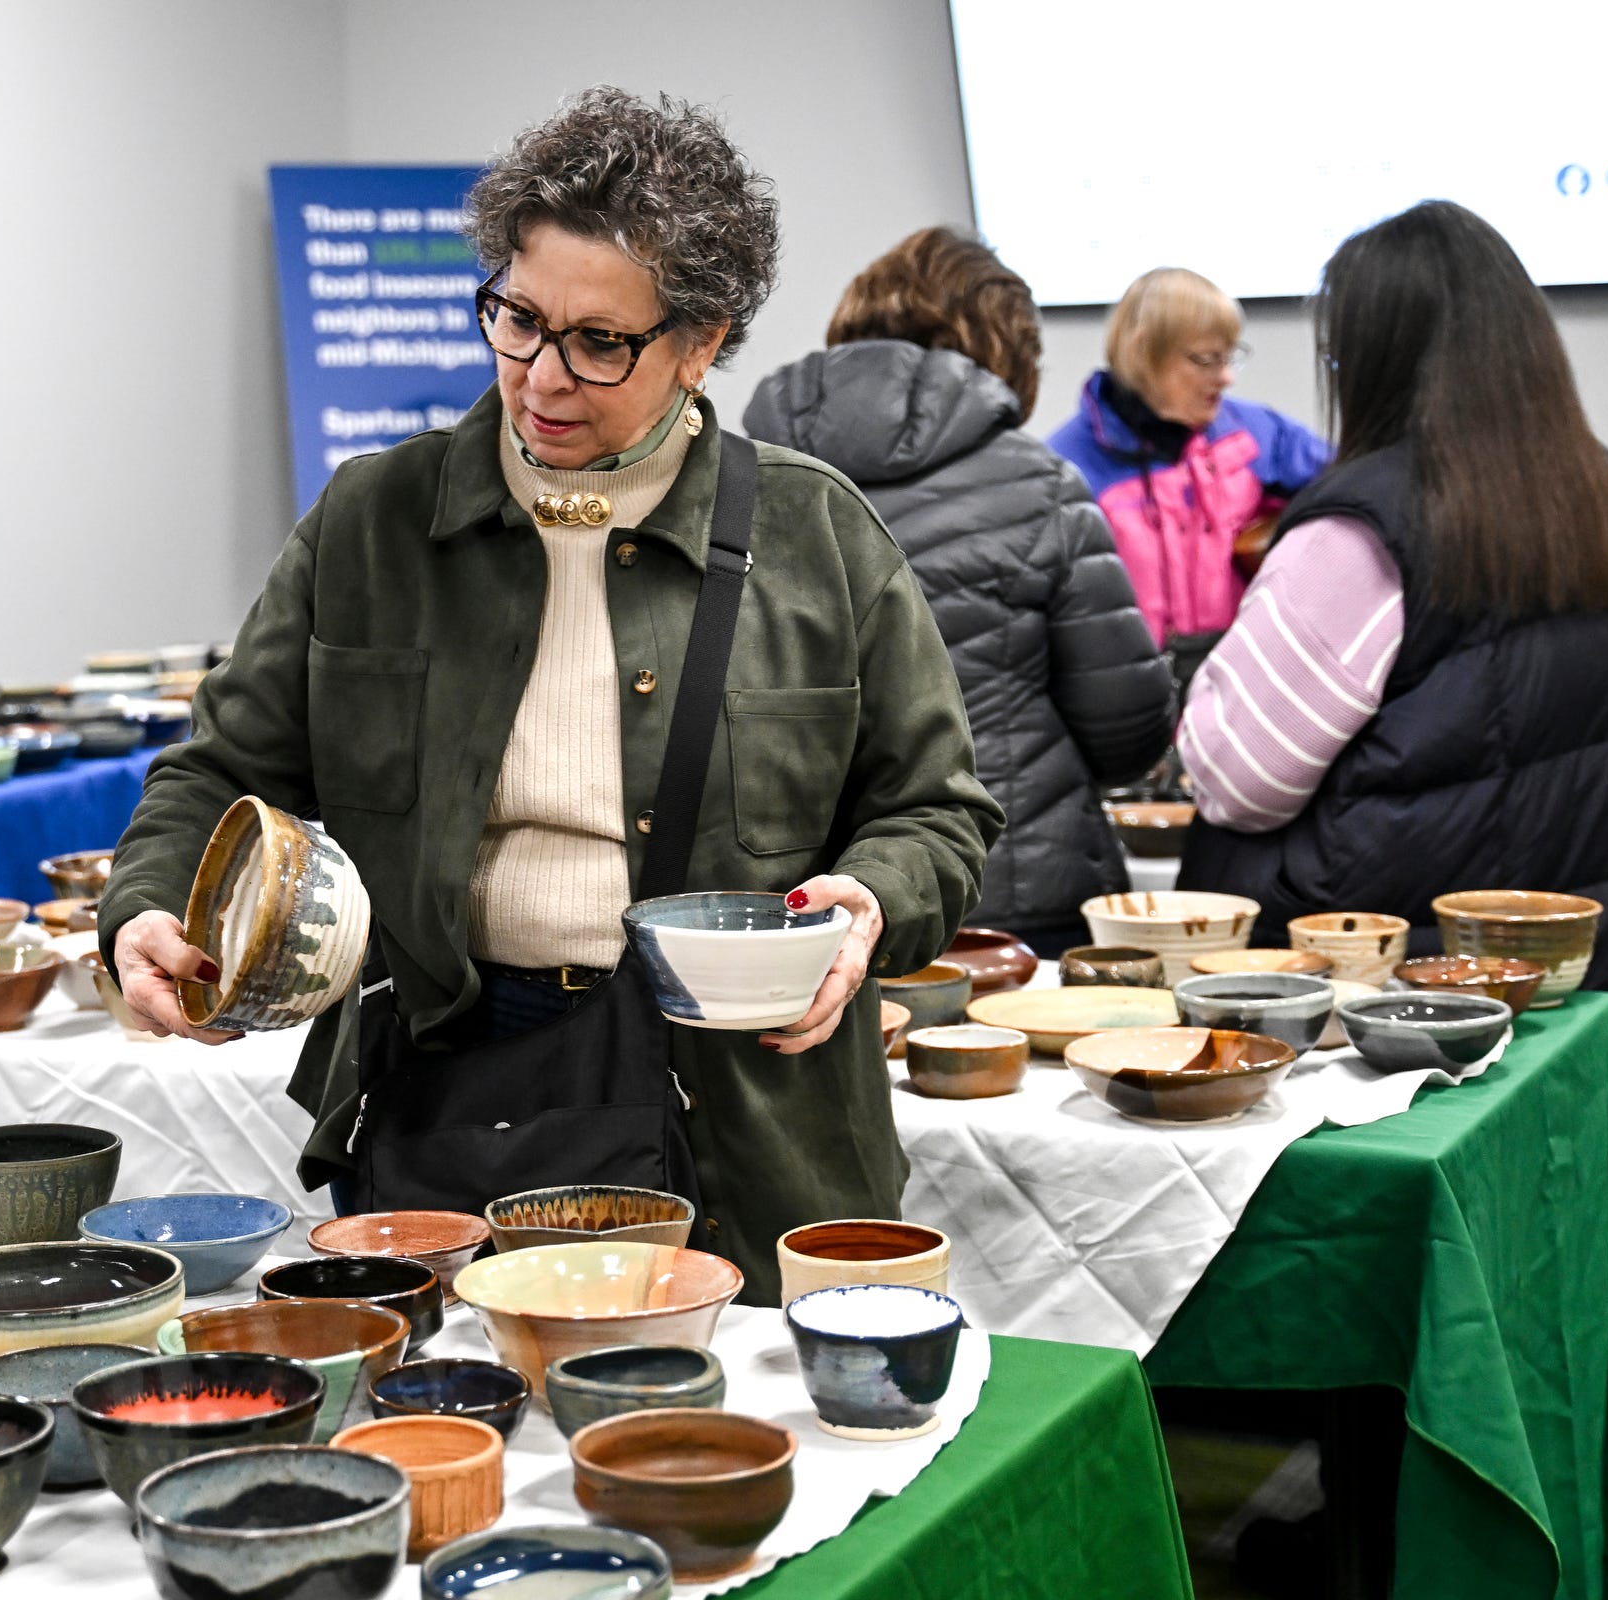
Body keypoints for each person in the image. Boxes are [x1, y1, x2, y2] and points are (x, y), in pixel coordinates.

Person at [98, 88, 1001, 1305]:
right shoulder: (375, 523)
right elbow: (215, 774)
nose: (542, 377)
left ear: (699, 343)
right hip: (448, 1102)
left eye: (601, 343)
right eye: (517, 319)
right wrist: (148, 909)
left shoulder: (813, 533)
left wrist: (872, 903)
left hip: (753, 1125)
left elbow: (939, 809)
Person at [1175, 199, 1608, 1110]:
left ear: (1373, 355)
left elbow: (1239, 781)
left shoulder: (1364, 526)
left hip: (1401, 998)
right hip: (1603, 979)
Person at [745, 228, 1171, 955]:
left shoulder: (744, 477)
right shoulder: (1041, 488)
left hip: (810, 904)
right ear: (1007, 350)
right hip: (1018, 893)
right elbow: (1126, 730)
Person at [1046, 267, 1332, 682]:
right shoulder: (1065, 467)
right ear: (1145, 354)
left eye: (1229, 356)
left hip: (1240, 682)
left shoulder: (1256, 433)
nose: (1226, 376)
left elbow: (1353, 485)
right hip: (1130, 693)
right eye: (1206, 360)